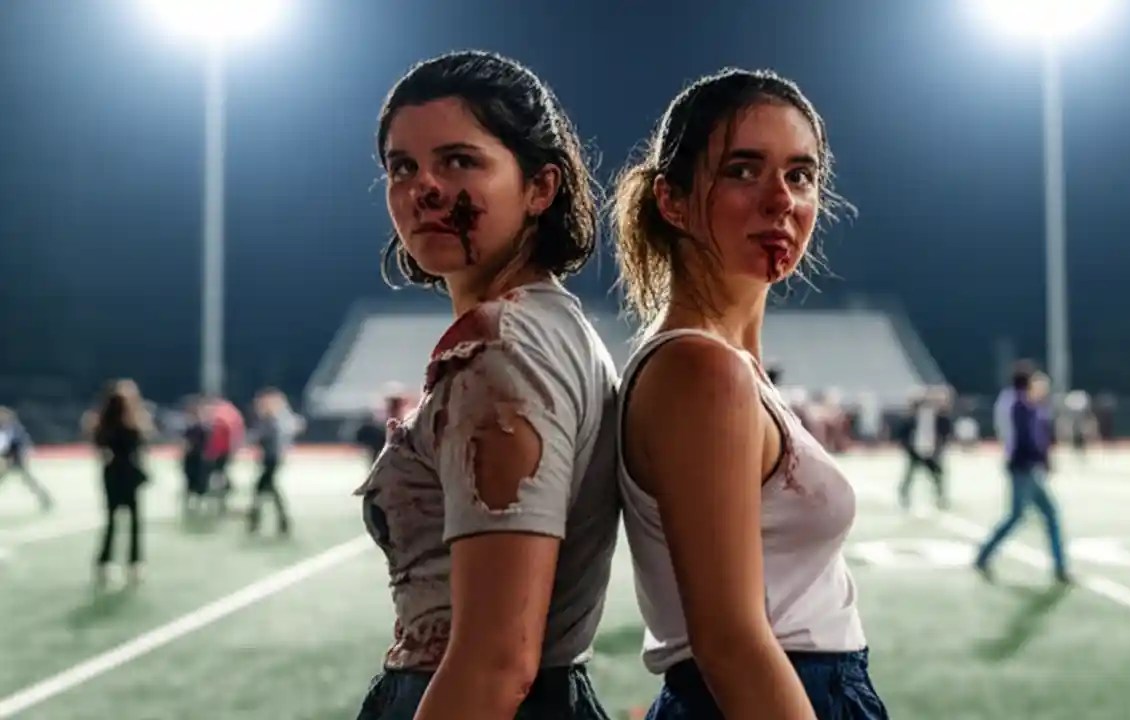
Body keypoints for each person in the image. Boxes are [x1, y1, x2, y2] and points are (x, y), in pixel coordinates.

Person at [612, 68, 888, 719]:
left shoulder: (727, 363)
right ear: (672, 201)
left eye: (801, 175)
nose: (781, 200)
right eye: (743, 170)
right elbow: (730, 643)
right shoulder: (701, 371)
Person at [353, 50, 618, 720]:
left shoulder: (504, 347)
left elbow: (495, 664)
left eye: (459, 161)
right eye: (402, 167)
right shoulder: (554, 325)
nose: (425, 188)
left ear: (541, 186)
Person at [975, 366, 1070, 584]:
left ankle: (1060, 566)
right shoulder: (1021, 405)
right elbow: (1027, 439)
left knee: (1047, 515)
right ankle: (984, 554)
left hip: (1027, 468)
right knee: (1018, 516)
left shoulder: (1021, 403)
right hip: (1024, 468)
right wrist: (1041, 459)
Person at [88, 379, 153, 588]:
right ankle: (125, 562)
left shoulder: (110, 422)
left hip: (118, 473)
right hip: (122, 473)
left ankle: (119, 562)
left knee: (123, 520)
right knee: (123, 520)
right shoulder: (124, 421)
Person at [247, 388, 303, 536]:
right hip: (272, 459)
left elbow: (260, 437)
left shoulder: (271, 421)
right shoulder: (277, 420)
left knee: (263, 489)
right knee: (269, 490)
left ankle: (258, 519)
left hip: (271, 459)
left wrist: (253, 438)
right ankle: (278, 521)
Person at [0, 406, 54, 511]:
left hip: (16, 459)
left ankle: (45, 499)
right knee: (28, 480)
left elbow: (19, 445)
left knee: (28, 481)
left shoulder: (13, 430)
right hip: (8, 459)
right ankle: (45, 499)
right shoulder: (7, 429)